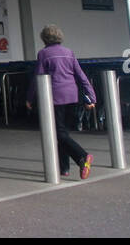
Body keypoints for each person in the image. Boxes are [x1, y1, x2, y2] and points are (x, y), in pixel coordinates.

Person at [26, 25, 97, 178]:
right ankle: (64, 168)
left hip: (54, 97)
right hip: (72, 96)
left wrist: (30, 98)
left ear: (44, 38)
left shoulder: (43, 54)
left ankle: (82, 156)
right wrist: (91, 97)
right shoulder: (69, 52)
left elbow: (38, 77)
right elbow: (81, 76)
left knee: (59, 133)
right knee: (63, 133)